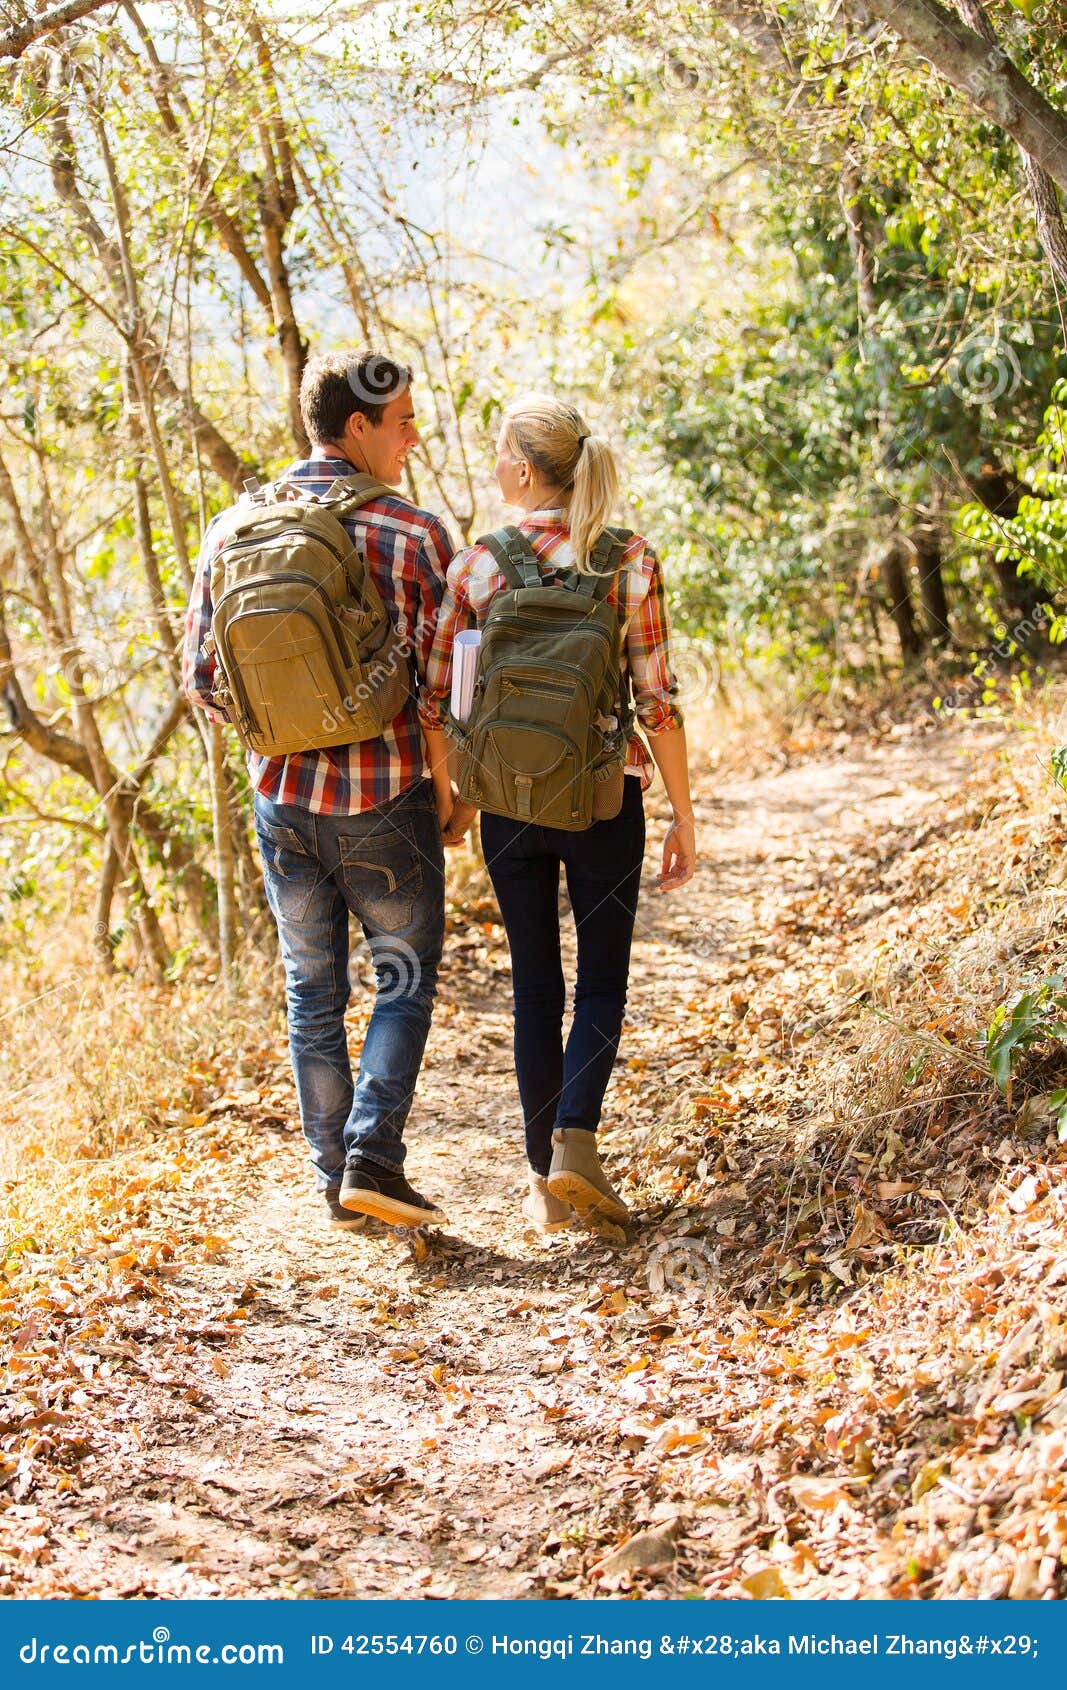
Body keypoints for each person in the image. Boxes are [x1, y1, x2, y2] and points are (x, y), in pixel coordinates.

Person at [182, 350, 459, 1231]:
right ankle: (374, 1157)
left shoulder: (232, 529)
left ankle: (331, 1173)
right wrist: (454, 795)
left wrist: (288, 729)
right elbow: (446, 689)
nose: (413, 437)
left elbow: (202, 683)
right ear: (356, 426)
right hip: (386, 800)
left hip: (281, 806)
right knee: (403, 979)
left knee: (313, 994)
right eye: (403, 420)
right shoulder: (413, 535)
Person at [420, 393, 697, 1234]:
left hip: (510, 806)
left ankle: (546, 1183)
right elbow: (657, 702)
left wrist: (454, 804)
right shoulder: (628, 559)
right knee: (601, 979)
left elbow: (438, 703)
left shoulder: (477, 567)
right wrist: (685, 813)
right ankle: (577, 1141)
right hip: (605, 800)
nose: (495, 467)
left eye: (501, 454)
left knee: (535, 987)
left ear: (528, 470)